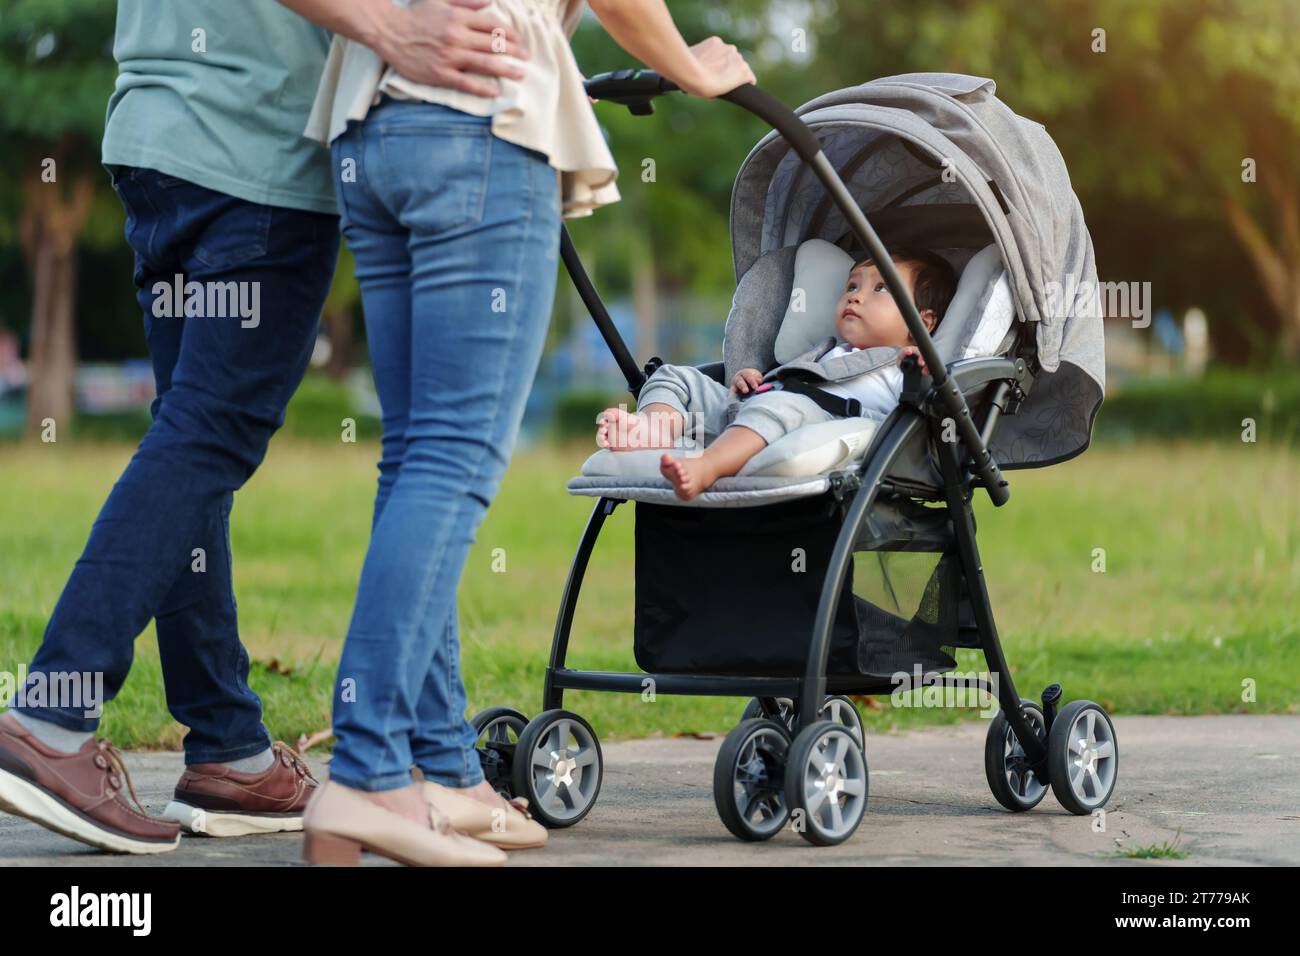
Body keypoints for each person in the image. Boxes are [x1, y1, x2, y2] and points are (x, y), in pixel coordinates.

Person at [0, 0, 531, 855]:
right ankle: (53, 717)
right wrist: (394, 30)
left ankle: (231, 749)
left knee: (190, 439)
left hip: (157, 138)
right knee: (208, 435)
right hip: (254, 151)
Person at [298, 0, 756, 866]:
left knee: (414, 459)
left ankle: (430, 766)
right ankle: (363, 774)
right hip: (480, 120)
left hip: (372, 128)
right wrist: (692, 69)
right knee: (450, 459)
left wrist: (385, 28)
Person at [595, 252, 957, 499]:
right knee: (678, 377)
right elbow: (787, 378)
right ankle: (651, 428)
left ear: (922, 323)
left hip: (806, 418)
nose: (856, 297)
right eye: (852, 286)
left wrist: (922, 370)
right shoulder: (826, 348)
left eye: (880, 288)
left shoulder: (902, 365)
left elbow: (929, 408)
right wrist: (752, 378)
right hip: (756, 405)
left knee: (783, 407)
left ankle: (707, 467)